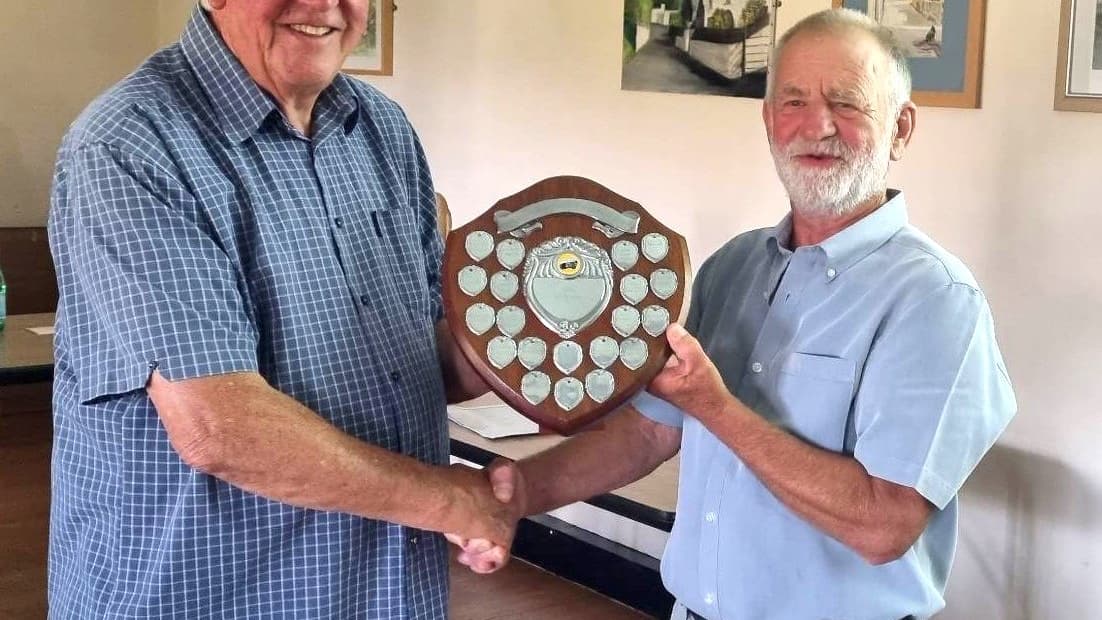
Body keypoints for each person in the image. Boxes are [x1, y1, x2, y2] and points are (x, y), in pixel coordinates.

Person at [455, 8, 1016, 619]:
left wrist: (716, 407)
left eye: (848, 103)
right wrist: (515, 496)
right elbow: (651, 430)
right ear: (769, 120)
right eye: (793, 101)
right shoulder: (732, 266)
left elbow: (884, 525)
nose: (816, 125)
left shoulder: (934, 300)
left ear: (901, 129)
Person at [47, 1, 519, 617]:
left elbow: (421, 362)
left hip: (382, 587)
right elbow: (220, 425)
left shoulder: (382, 129)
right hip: (209, 592)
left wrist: (541, 337)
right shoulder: (131, 143)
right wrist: (450, 501)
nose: (325, 5)